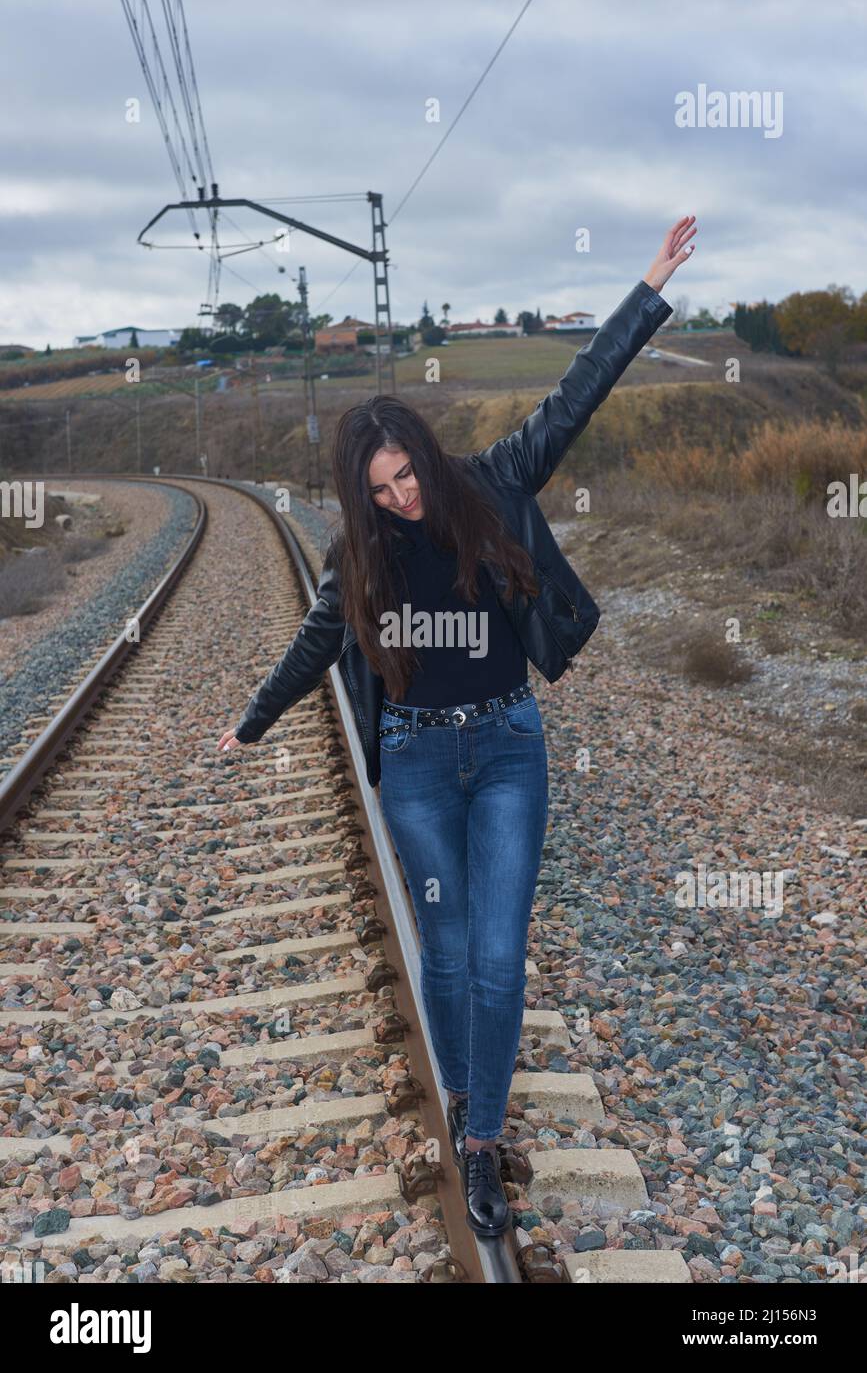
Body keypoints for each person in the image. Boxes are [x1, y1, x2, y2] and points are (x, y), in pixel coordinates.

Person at [219, 217, 697, 1236]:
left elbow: (576, 396)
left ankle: (478, 1144)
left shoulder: (492, 483)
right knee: (444, 954)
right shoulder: (364, 558)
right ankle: (470, 1108)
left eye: (408, 476)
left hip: (510, 745)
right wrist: (253, 721)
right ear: (365, 492)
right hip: (424, 762)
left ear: (428, 458)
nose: (400, 495)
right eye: (381, 489)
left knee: (497, 952)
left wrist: (647, 288)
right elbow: (314, 645)